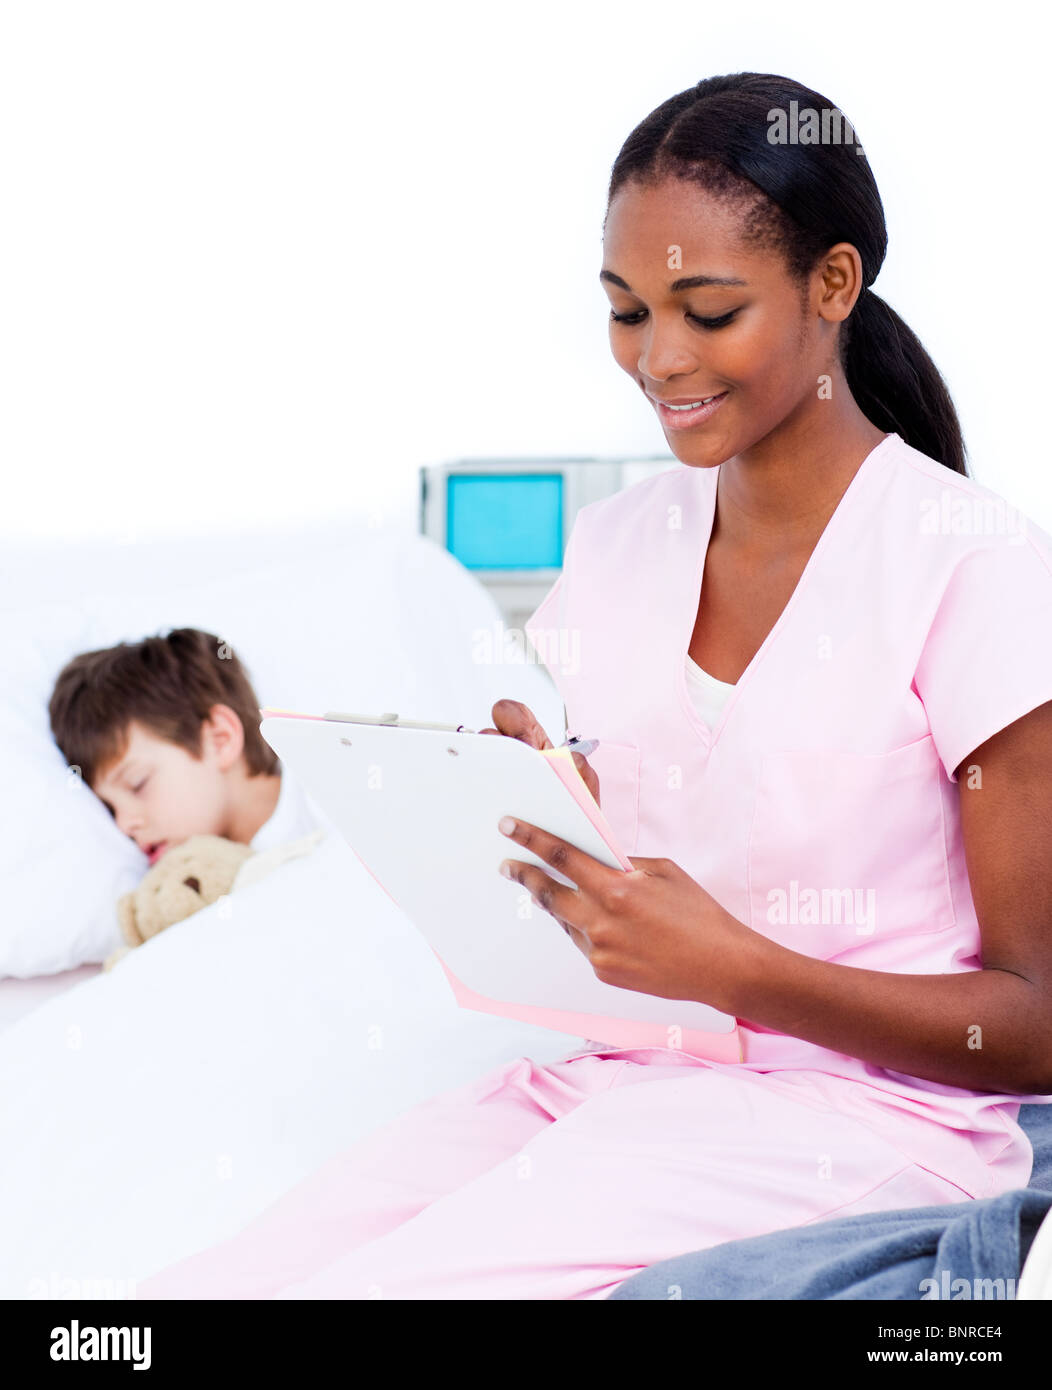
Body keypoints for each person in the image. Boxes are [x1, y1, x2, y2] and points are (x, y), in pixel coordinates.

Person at [135, 72, 1052, 1302]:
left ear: (831, 285)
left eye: (707, 310)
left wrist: (734, 966)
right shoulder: (620, 545)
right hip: (623, 1077)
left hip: (861, 1124)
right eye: (625, 312)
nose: (657, 358)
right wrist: (534, 801)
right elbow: (657, 851)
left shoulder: (970, 567)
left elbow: (1030, 1023)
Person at [48, 627, 323, 860]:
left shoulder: (327, 805)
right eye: (110, 809)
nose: (125, 825)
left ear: (220, 739)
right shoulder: (187, 888)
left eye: (137, 784)